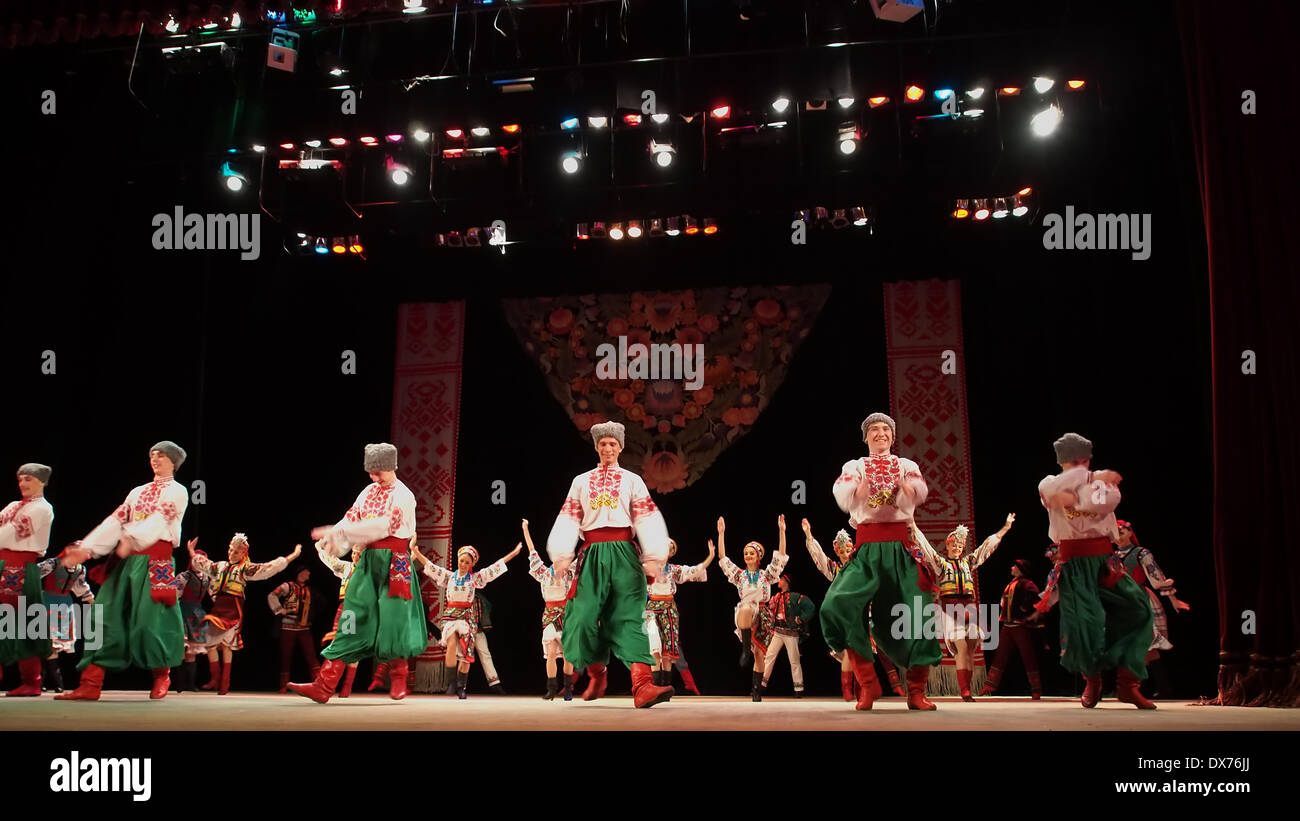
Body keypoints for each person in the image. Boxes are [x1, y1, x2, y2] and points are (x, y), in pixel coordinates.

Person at [545, 421, 674, 708]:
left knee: (628, 615)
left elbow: (646, 516)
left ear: (621, 447)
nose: (607, 448)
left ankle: (642, 686)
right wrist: (562, 554)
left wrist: (653, 556)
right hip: (591, 554)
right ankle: (598, 673)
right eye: (603, 443)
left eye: (612, 444)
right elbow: (569, 516)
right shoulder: (581, 481)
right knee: (581, 616)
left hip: (624, 553)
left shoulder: (632, 480)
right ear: (597, 447)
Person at [290, 443, 425, 704]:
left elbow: (384, 525)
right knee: (351, 616)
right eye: (371, 473)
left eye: (379, 472)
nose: (374, 478)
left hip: (394, 562)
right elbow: (351, 518)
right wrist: (333, 535)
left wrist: (343, 533)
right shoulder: (367, 491)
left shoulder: (404, 495)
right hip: (367, 562)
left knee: (393, 617)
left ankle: (398, 675)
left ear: (392, 467)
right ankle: (324, 684)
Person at [822, 413, 940, 711]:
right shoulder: (856, 466)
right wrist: (853, 494)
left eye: (886, 429)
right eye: (874, 430)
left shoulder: (906, 465)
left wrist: (907, 491)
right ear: (865, 437)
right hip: (866, 549)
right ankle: (868, 684)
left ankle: (916, 691)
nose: (880, 433)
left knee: (918, 612)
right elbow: (843, 491)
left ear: (893, 435)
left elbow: (920, 491)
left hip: (901, 547)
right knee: (838, 604)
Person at [58, 443, 189, 701]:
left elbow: (161, 518)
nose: (155, 459)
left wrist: (134, 537)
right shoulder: (137, 491)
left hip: (155, 562)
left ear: (173, 461)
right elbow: (116, 519)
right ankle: (90, 682)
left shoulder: (178, 491)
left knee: (150, 623)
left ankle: (162, 673)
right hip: (126, 560)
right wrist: (87, 549)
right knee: (103, 617)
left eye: (161, 456)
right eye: (152, 455)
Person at [1034, 433, 1155, 709]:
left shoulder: (1100, 483)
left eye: (1084, 460)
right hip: (1073, 562)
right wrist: (1086, 480)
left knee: (1138, 608)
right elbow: (1053, 495)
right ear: (1065, 461)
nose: (1082, 464)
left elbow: (1103, 503)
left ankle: (1128, 683)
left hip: (1104, 560)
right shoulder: (1049, 482)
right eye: (1076, 460)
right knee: (1084, 625)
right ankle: (1093, 680)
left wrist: (1076, 495)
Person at [914, 514, 1016, 700]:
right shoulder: (942, 564)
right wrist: (912, 525)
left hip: (969, 607)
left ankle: (967, 690)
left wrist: (1005, 528)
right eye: (954, 545)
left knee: (970, 649)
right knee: (960, 647)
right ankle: (965, 691)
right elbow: (926, 548)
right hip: (951, 608)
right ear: (948, 545)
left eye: (960, 546)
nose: (957, 548)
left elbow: (986, 547)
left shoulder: (968, 562)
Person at [803, 520, 904, 699]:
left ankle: (864, 690)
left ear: (853, 550)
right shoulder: (835, 570)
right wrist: (809, 536)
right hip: (844, 617)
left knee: (864, 652)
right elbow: (819, 557)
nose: (844, 554)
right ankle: (848, 689)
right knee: (851, 653)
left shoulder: (862, 568)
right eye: (841, 552)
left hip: (863, 615)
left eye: (847, 550)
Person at [414, 542, 518, 699]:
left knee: (466, 654)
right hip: (450, 616)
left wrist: (513, 554)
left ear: (472, 564)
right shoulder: (449, 577)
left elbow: (494, 568)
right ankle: (452, 683)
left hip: (467, 618)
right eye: (461, 561)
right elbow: (430, 566)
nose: (463, 564)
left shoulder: (475, 579)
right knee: (451, 643)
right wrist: (416, 551)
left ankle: (462, 686)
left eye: (467, 562)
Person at [1114, 519, 1189, 698]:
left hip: (1139, 600)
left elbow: (1157, 577)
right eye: (1114, 532)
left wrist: (1174, 600)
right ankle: (1138, 686)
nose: (1118, 534)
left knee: (1145, 645)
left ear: (1131, 532)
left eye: (1121, 530)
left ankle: (1146, 686)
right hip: (1121, 601)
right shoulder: (1113, 556)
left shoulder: (1141, 553)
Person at [717, 515, 789, 701]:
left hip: (763, 614)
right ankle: (744, 649)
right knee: (746, 608)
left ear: (758, 557)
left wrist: (782, 531)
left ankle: (756, 692)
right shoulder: (739, 576)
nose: (748, 555)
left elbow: (780, 557)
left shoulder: (766, 575)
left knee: (760, 656)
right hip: (745, 614)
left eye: (751, 553)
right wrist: (721, 534)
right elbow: (723, 558)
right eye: (746, 553)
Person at [0, 463, 55, 697]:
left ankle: (32, 681)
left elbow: (13, 531)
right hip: (3, 562)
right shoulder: (13, 505)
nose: (22, 484)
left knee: (23, 622)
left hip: (20, 566)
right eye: (20, 479)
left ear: (42, 482)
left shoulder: (43, 508)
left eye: (29, 479)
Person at [646, 537, 713, 687]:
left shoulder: (673, 570)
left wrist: (710, 557)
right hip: (650, 608)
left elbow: (694, 570)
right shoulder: (647, 568)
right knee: (653, 646)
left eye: (667, 548)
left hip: (669, 607)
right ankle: (655, 686)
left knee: (668, 650)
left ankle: (665, 686)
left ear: (670, 553)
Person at [523, 518, 577, 700]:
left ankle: (568, 689)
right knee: (551, 652)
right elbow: (532, 552)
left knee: (568, 653)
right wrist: (525, 529)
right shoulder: (544, 573)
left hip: (567, 614)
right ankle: (552, 689)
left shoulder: (571, 572)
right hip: (549, 615)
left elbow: (586, 556)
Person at [979, 559, 1046, 699]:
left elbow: (1036, 597)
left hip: (1019, 626)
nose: (1011, 567)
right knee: (1000, 655)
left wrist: (1024, 609)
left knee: (1028, 656)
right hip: (1008, 625)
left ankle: (1036, 688)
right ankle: (990, 684)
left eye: (1014, 566)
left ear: (1020, 569)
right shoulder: (1012, 583)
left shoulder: (1027, 584)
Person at [37, 544, 95, 694]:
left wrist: (92, 602)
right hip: (47, 601)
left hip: (64, 605)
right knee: (47, 642)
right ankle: (53, 682)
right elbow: (33, 574)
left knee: (55, 644)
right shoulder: (53, 564)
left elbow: (81, 588)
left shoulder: (80, 569)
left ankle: (50, 682)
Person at [314, 539, 364, 698]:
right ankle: (329, 684)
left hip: (360, 610)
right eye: (354, 553)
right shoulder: (346, 567)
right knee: (341, 642)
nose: (356, 557)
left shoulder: (370, 572)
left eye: (360, 554)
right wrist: (319, 548)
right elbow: (331, 561)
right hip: (345, 608)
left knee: (350, 645)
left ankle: (344, 686)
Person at [760, 574, 815, 697]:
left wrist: (801, 619)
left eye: (781, 579)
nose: (779, 581)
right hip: (778, 632)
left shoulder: (796, 597)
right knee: (769, 656)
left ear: (786, 581)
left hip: (791, 633)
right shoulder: (777, 597)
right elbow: (769, 607)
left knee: (794, 660)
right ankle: (761, 686)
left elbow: (810, 607)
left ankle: (798, 688)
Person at [269, 564, 320, 693]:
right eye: (306, 572)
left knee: (311, 655)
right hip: (288, 626)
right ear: (300, 573)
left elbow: (319, 604)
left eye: (308, 573)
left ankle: (319, 683)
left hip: (304, 627)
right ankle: (283, 685)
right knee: (285, 655)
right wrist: (280, 610)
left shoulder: (310, 590)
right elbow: (272, 596)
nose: (308, 575)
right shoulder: (288, 586)